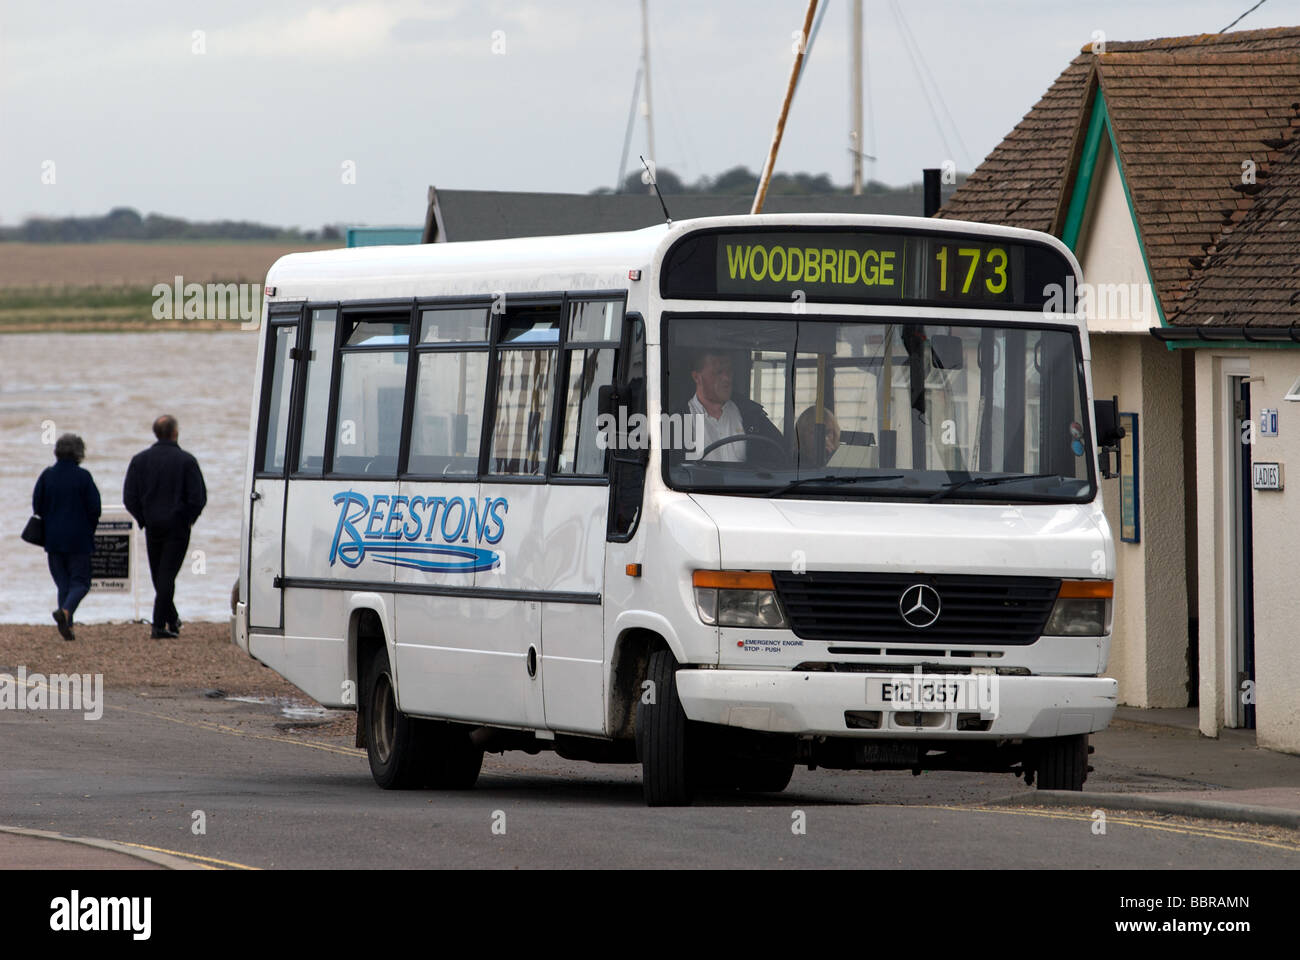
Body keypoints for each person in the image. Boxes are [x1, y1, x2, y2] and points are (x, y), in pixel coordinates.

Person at [123, 415, 207, 639]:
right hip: (177, 527)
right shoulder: (186, 461)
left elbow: (129, 497)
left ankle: (171, 619)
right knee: (166, 576)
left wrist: (143, 518)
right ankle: (159, 626)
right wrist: (188, 519)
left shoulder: (139, 460)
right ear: (175, 433)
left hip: (153, 526)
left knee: (160, 576)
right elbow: (198, 498)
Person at [33, 434, 102, 641]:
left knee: (63, 583)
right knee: (81, 583)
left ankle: (68, 626)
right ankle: (66, 612)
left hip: (52, 538)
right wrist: (90, 529)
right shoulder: (83, 476)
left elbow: (37, 506)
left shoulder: (47, 475)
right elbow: (94, 508)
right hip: (79, 538)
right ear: (79, 453)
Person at [681, 350, 785, 465]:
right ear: (697, 377)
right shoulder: (676, 419)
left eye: (729, 371)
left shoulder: (752, 414)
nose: (727, 378)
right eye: (718, 372)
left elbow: (780, 457)